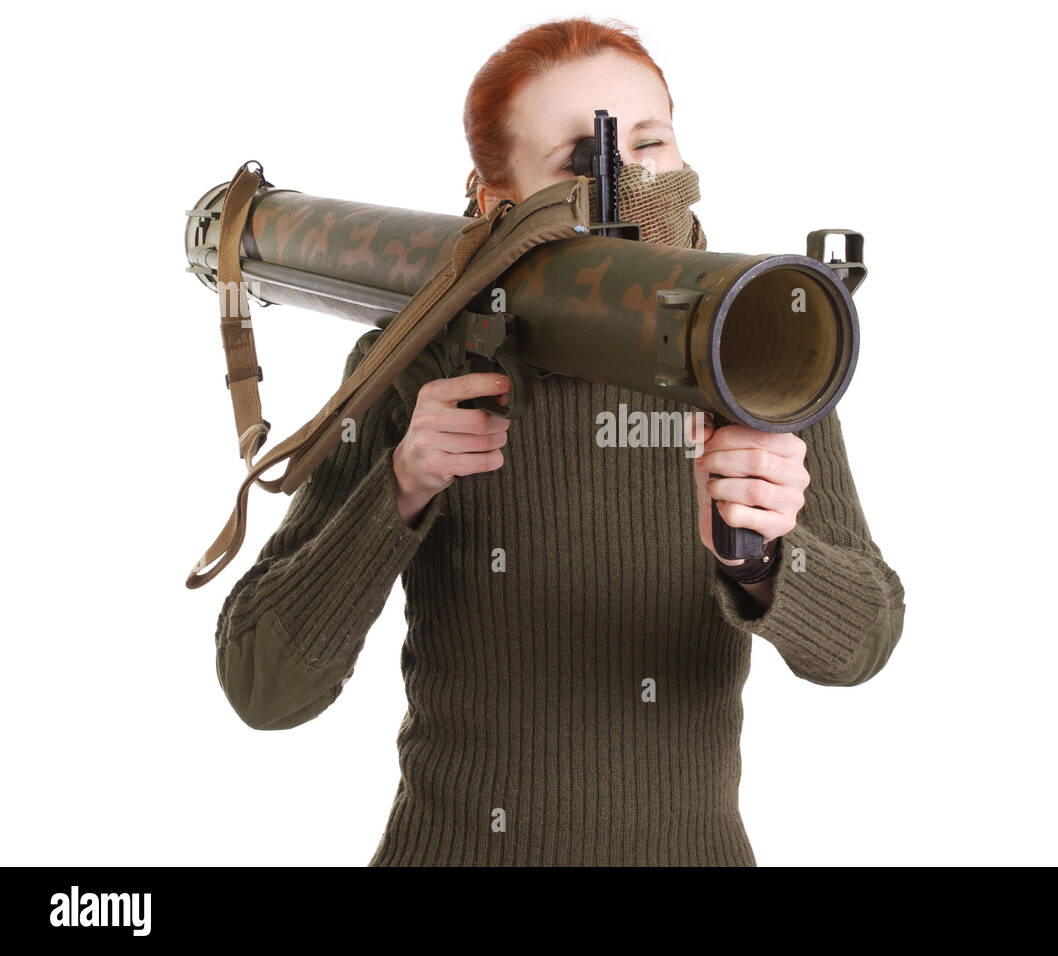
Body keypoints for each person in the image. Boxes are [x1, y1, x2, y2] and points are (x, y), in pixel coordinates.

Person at [213, 16, 906, 867]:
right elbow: (264, 687)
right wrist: (395, 491)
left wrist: (767, 559)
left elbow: (863, 645)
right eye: (585, 164)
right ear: (497, 202)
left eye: (651, 141)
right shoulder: (422, 362)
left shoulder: (759, 349)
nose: (639, 180)